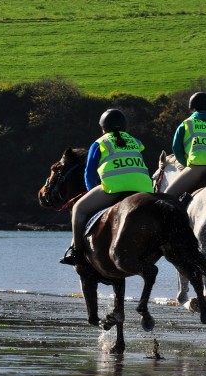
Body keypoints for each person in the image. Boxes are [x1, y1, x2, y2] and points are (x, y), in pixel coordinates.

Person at [59, 108, 153, 266]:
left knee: (78, 209)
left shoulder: (99, 143)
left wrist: (92, 191)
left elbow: (89, 174)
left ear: (103, 127)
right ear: (124, 127)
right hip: (143, 188)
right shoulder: (136, 142)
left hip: (114, 188)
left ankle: (76, 252)